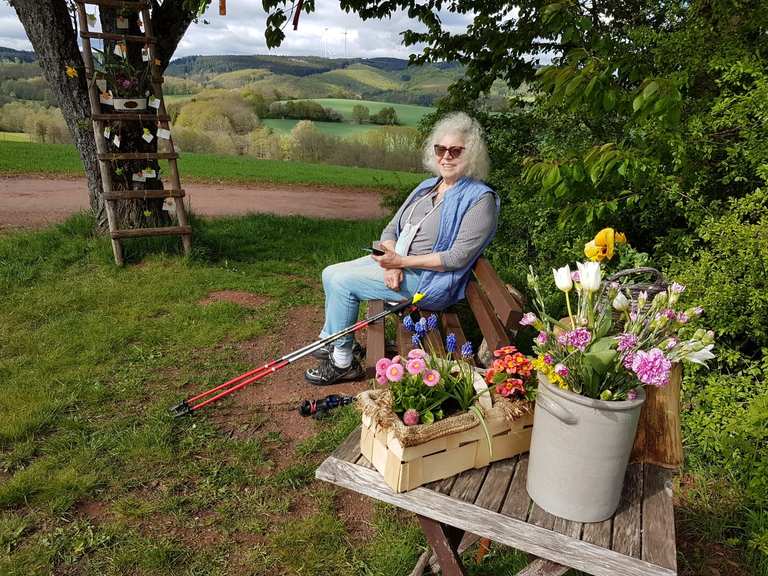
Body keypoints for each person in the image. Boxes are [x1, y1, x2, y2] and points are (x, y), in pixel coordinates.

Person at [305, 112, 500, 385]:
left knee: (342, 282)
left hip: (430, 282)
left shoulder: (480, 200)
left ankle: (342, 361)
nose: (446, 156)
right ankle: (336, 339)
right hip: (399, 262)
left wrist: (400, 263)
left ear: (472, 155)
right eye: (440, 149)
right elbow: (390, 230)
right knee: (329, 272)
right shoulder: (426, 188)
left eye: (455, 151)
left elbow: (456, 258)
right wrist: (391, 257)